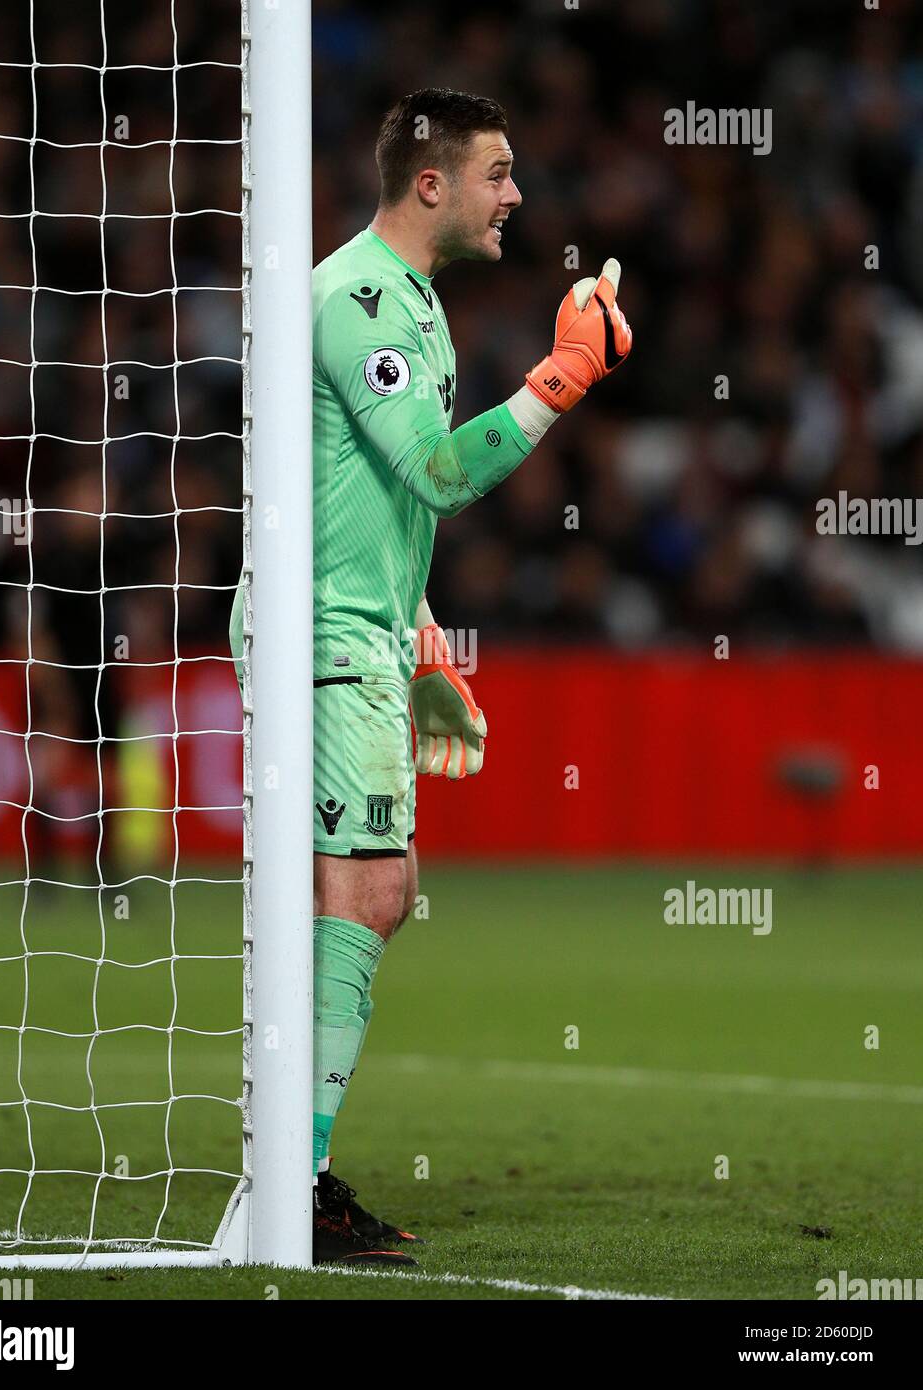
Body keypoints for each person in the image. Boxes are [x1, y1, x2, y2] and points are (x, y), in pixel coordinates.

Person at [230, 86, 632, 1265]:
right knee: (368, 896)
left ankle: (288, 1166)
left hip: (353, 627)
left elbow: (361, 497)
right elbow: (447, 476)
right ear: (430, 183)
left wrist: (419, 630)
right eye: (497, 174)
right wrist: (562, 376)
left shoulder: (396, 297)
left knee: (368, 895)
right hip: (321, 637)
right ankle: (288, 1184)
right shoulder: (361, 301)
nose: (514, 196)